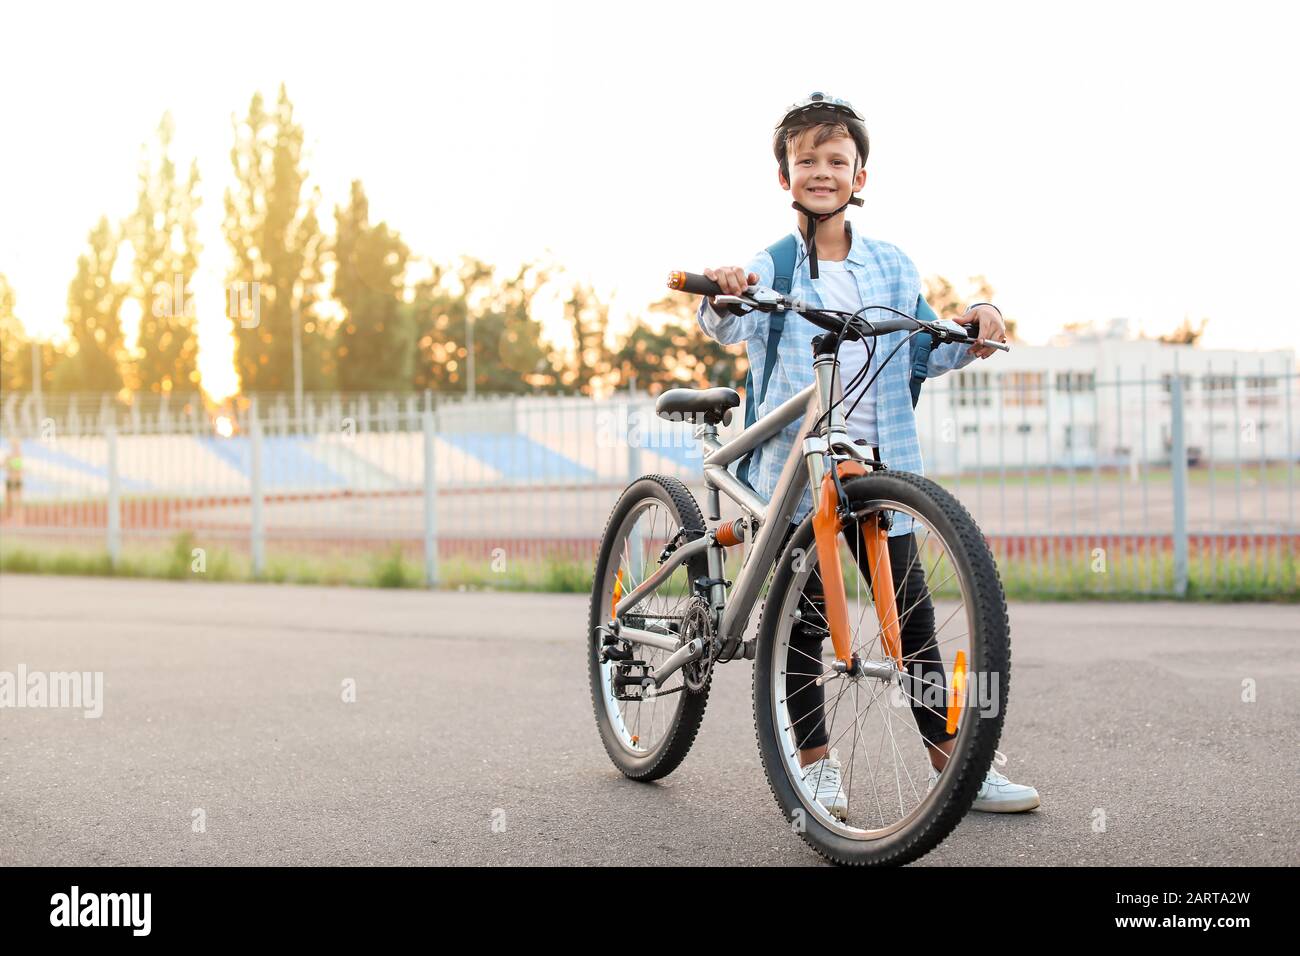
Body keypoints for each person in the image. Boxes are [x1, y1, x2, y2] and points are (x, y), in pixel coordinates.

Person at [696, 93, 1038, 816]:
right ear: (784, 178)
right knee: (807, 622)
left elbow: (923, 340)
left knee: (911, 620)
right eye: (806, 161)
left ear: (860, 177)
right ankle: (814, 765)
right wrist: (727, 290)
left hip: (872, 462)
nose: (822, 171)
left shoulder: (889, 262)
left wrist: (973, 321)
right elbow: (725, 324)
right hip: (798, 469)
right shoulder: (777, 262)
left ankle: (957, 764)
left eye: (837, 161)